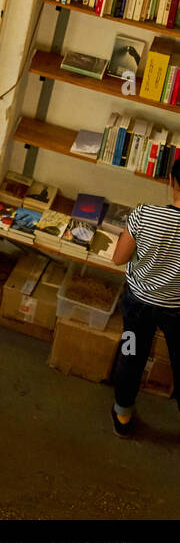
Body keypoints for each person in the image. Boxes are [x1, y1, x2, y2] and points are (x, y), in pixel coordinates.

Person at [109, 166, 180, 437]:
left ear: (171, 180)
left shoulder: (144, 214)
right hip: (177, 310)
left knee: (131, 355)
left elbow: (119, 258)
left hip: (137, 304)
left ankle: (123, 416)